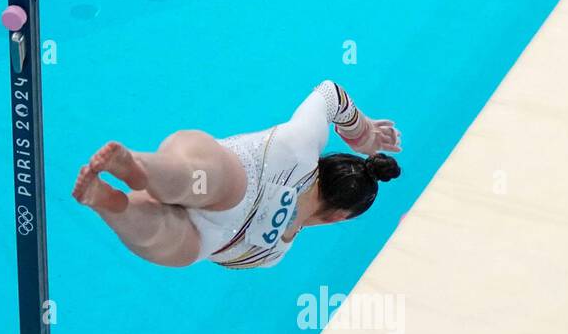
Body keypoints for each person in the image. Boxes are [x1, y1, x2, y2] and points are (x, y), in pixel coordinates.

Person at [72, 80, 402, 269]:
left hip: (222, 175)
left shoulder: (303, 146)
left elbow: (330, 94)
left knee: (204, 180)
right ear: (339, 217)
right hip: (213, 236)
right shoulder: (273, 255)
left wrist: (362, 133)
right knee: (171, 240)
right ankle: (109, 203)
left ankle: (141, 168)